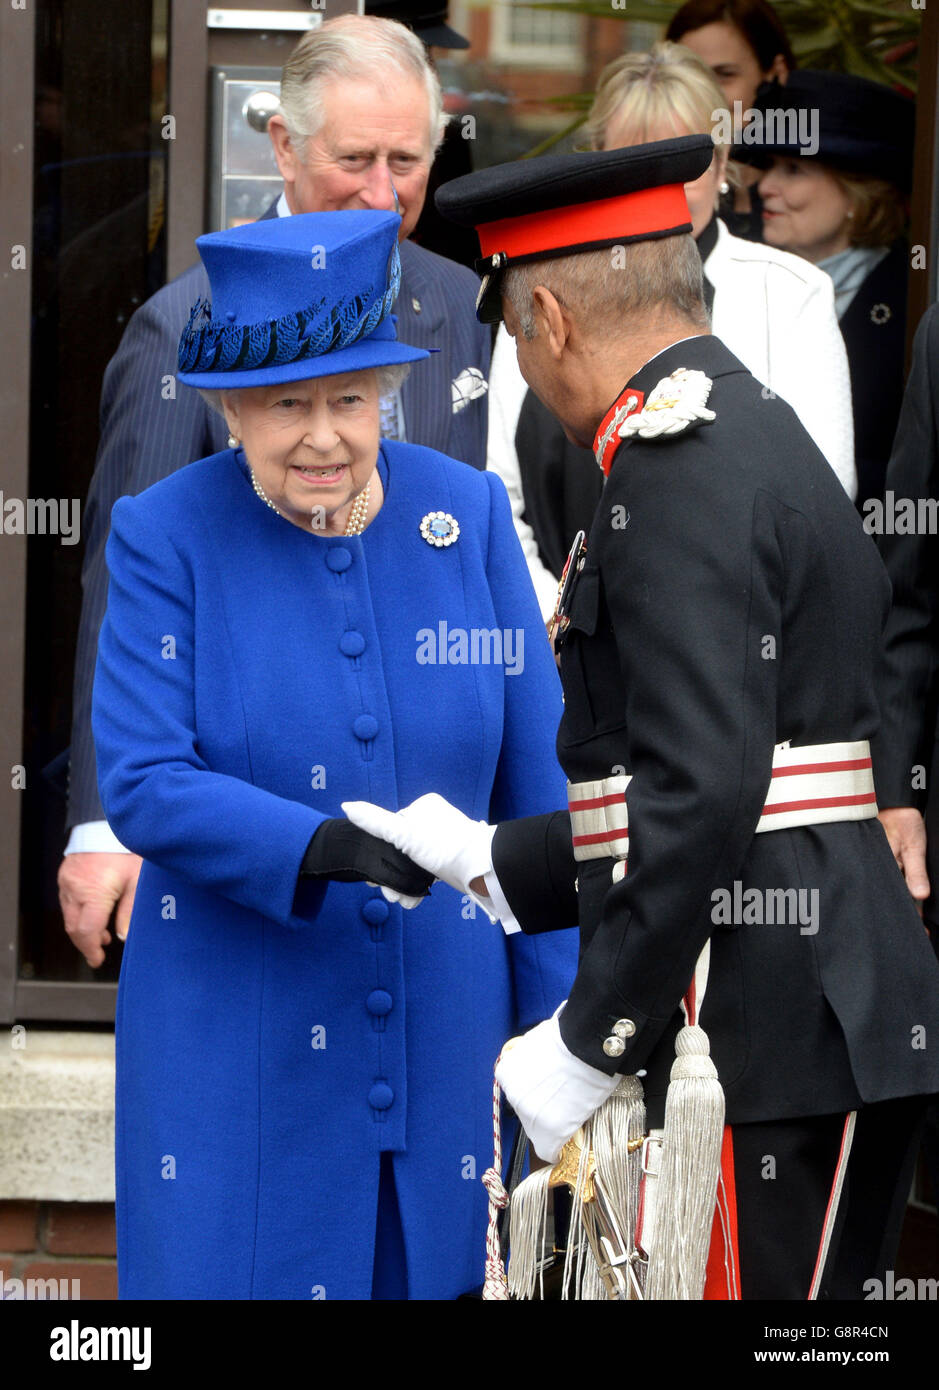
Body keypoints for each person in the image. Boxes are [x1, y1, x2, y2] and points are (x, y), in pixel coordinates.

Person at [345, 139, 939, 1298]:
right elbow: (717, 775)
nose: (522, 359)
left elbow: (709, 791)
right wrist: (496, 861)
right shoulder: (729, 426)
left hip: (773, 1026)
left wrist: (588, 1035)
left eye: (515, 333)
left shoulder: (673, 468)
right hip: (797, 1010)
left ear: (553, 318)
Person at [90, 208, 577, 1300]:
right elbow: (143, 777)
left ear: (387, 393)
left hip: (453, 1045)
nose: (324, 436)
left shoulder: (469, 514)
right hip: (240, 1049)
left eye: (349, 399)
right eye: (286, 404)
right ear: (227, 406)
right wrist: (320, 845)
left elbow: (538, 787)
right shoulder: (167, 533)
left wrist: (567, 1032)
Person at [59, 14, 492, 967]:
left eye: (407, 161)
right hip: (249, 817)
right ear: (284, 146)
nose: (383, 193)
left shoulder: (462, 305)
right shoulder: (188, 326)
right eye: (356, 159)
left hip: (433, 827)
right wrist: (100, 823)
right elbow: (120, 588)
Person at [488, 43, 854, 618]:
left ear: (723, 157)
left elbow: (823, 499)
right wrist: (567, 624)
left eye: (682, 165)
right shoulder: (538, 297)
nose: (657, 191)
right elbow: (498, 502)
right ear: (595, 162)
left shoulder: (790, 293)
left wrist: (698, 640)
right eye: (632, 165)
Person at [744, 70, 914, 511]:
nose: (765, 187)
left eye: (794, 169)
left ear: (857, 194)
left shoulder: (910, 305)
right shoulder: (746, 282)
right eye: (770, 167)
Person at [666, 0, 795, 240]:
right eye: (688, 76)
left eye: (724, 75)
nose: (704, 94)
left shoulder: (814, 196)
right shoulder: (652, 192)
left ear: (776, 72)